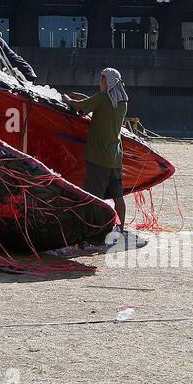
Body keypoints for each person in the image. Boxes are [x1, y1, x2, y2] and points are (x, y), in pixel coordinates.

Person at [65, 67, 146, 249]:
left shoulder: (102, 99)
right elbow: (97, 106)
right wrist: (84, 99)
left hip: (98, 157)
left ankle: (88, 235)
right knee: (117, 196)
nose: (99, 82)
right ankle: (120, 229)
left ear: (106, 81)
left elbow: (80, 107)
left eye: (101, 79)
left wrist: (67, 99)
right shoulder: (122, 102)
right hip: (115, 157)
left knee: (93, 198)